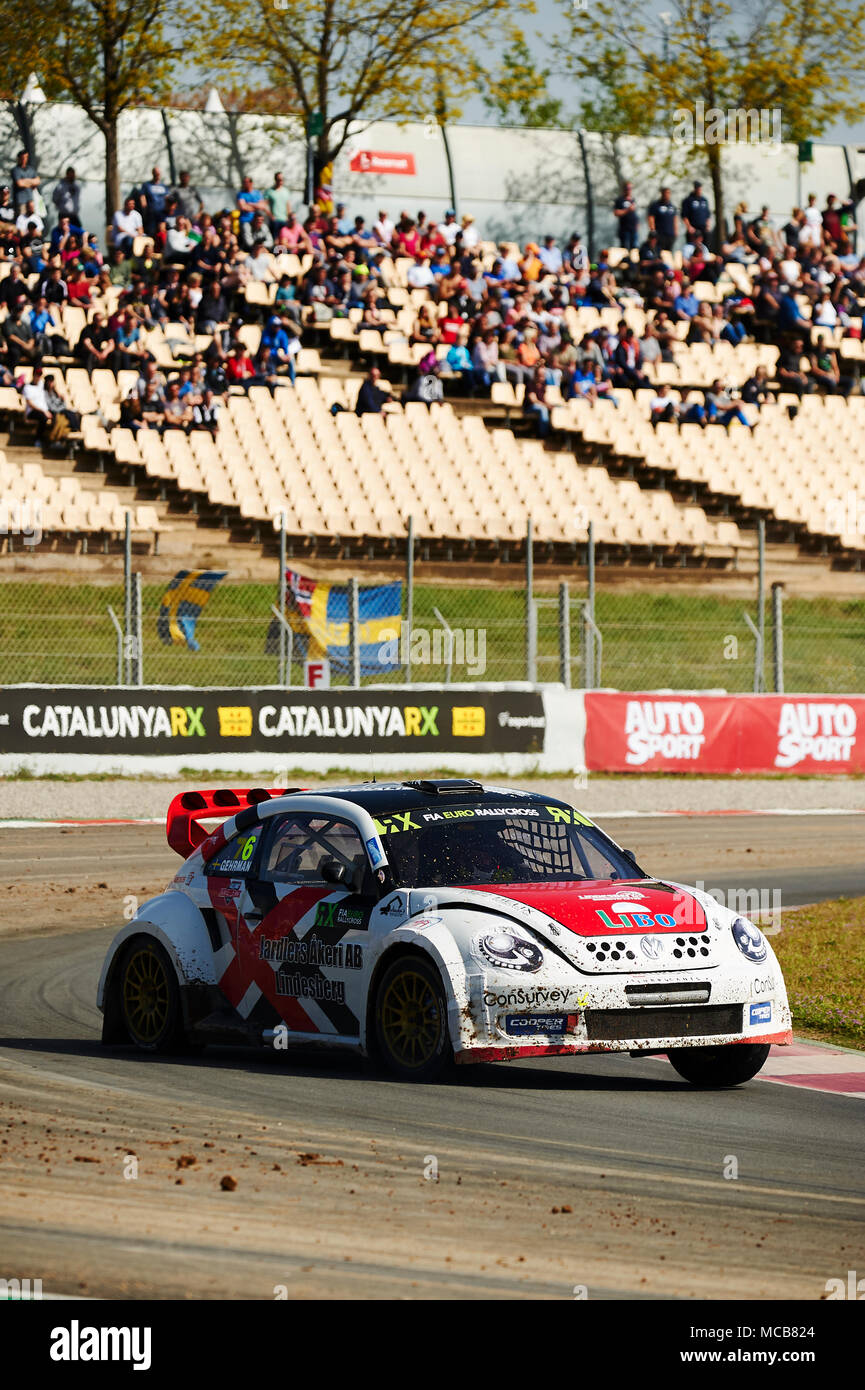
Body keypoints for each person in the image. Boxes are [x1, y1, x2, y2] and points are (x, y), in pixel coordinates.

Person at [647, 187, 678, 252]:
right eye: (665, 193)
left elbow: (675, 219)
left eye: (668, 193)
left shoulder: (672, 206)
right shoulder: (656, 205)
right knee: (660, 252)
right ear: (662, 193)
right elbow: (651, 217)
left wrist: (676, 231)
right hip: (660, 234)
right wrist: (652, 229)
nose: (667, 195)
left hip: (670, 234)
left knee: (668, 252)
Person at [523, 365, 550, 437]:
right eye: (540, 375)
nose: (542, 377)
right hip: (530, 408)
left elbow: (544, 398)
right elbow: (533, 400)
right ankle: (543, 435)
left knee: (557, 408)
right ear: (535, 375)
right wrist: (546, 405)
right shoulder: (530, 384)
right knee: (543, 409)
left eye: (543, 375)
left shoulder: (544, 384)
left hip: (541, 405)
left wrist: (550, 405)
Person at [613, 181, 639, 251]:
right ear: (624, 189)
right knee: (624, 248)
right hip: (624, 229)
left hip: (633, 229)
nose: (629, 190)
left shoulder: (633, 200)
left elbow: (635, 215)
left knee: (634, 248)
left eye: (631, 188)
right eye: (627, 188)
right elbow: (616, 213)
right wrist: (627, 210)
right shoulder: (620, 200)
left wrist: (637, 225)